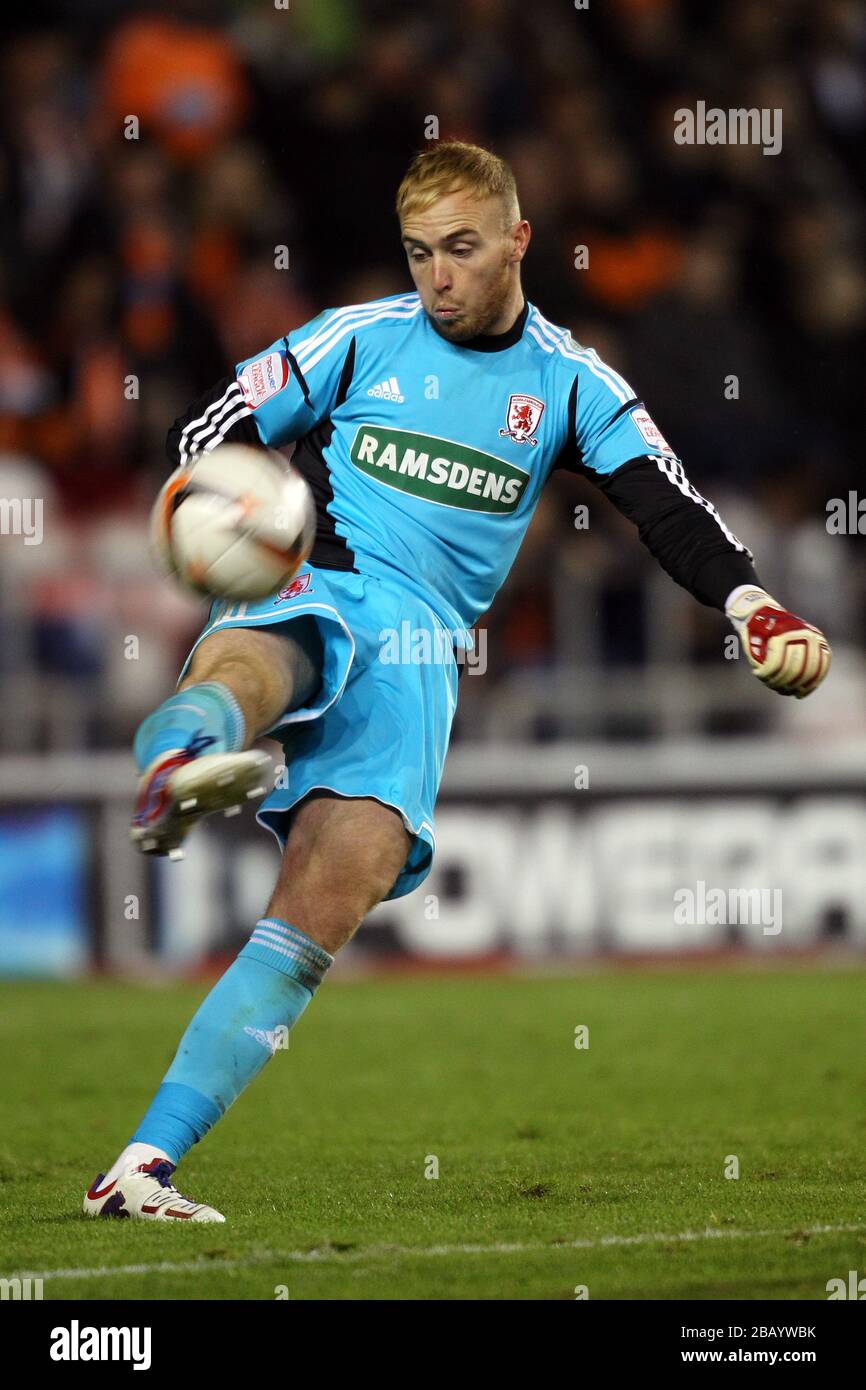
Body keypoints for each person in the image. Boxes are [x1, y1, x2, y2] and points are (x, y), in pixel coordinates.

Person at [83, 141, 831, 1223]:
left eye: (461, 250)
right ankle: (179, 755)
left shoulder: (570, 382)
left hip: (424, 654)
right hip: (325, 576)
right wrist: (243, 494)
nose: (436, 275)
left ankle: (141, 1168)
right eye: (419, 253)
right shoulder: (360, 339)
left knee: (320, 913)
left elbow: (664, 505)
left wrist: (748, 604)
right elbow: (206, 421)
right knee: (268, 657)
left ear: (517, 241)